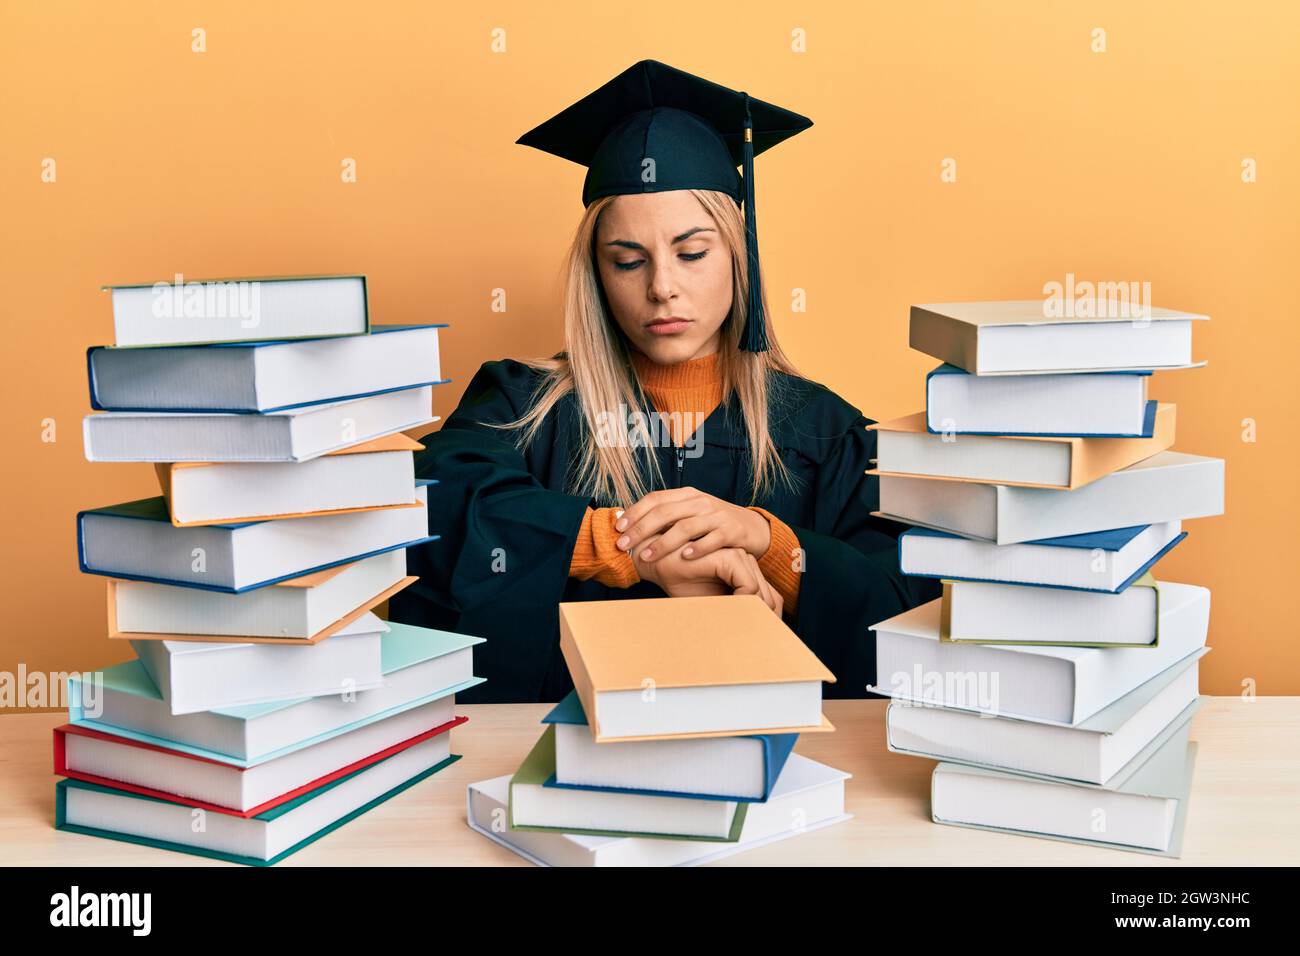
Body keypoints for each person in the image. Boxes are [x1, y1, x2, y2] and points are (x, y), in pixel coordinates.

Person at [387, 60, 940, 703]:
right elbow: (430, 507)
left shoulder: (823, 430)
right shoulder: (523, 406)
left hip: (774, 771)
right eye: (627, 260)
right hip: (557, 766)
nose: (661, 287)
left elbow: (908, 605)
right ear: (595, 272)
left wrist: (770, 545)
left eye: (693, 252)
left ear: (740, 253)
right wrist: (623, 547)